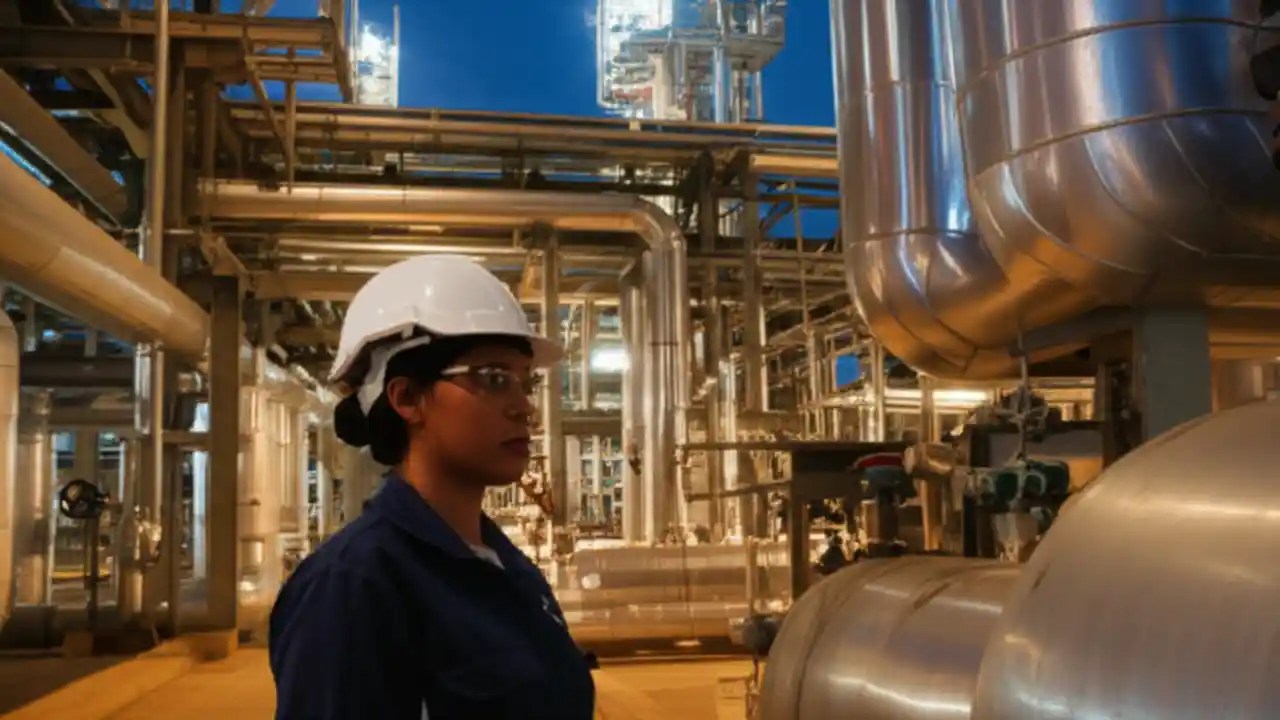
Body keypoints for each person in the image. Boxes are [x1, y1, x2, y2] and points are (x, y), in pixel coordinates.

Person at [269, 255, 595, 720]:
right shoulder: (354, 586)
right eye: (495, 378)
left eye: (527, 382)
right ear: (406, 398)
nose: (526, 408)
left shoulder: (506, 567)